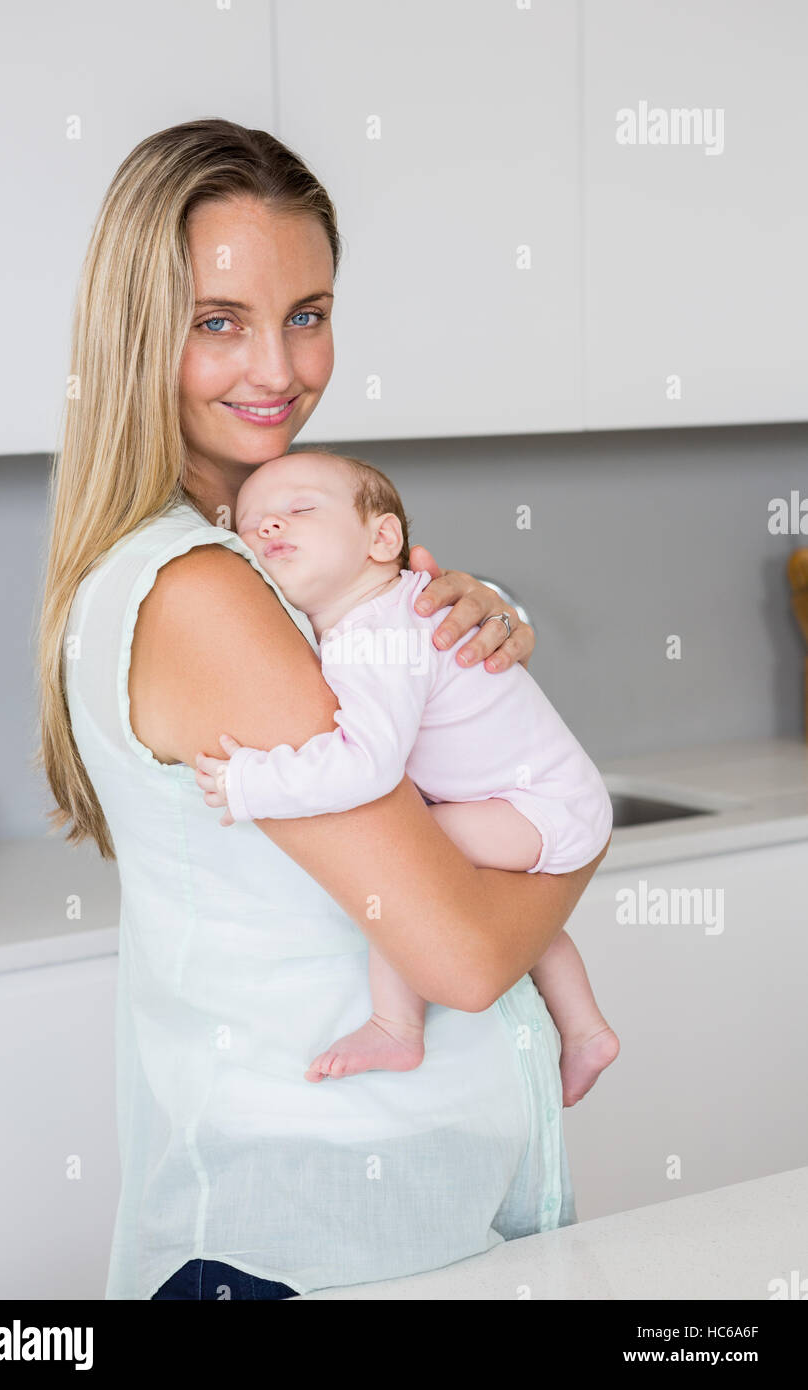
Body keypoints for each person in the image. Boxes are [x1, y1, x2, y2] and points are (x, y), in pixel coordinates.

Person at [38, 118, 610, 1302]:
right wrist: (568, 813)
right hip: (303, 1245)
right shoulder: (203, 593)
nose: (281, 370)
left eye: (307, 311)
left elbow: (404, 753)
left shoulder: (252, 563)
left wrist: (463, 626)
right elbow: (454, 952)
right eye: (218, 322)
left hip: (383, 1226)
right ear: (138, 333)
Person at [195, 449, 619, 1102]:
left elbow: (365, 765)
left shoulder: (375, 634)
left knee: (407, 872)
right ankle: (587, 1029)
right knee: (473, 893)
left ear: (382, 538)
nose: (270, 528)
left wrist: (253, 783)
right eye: (251, 525)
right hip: (555, 799)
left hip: (539, 807)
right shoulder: (388, 611)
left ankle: (396, 1025)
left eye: (299, 510)